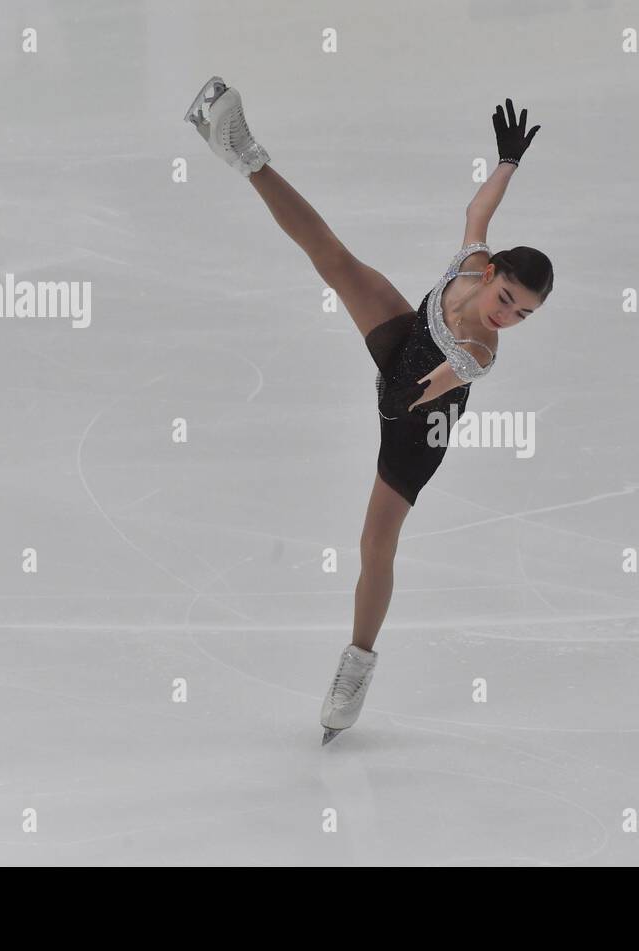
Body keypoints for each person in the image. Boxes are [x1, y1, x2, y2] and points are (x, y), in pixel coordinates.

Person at [184, 78, 553, 744]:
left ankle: (356, 663)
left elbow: (456, 371)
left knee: (375, 545)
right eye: (507, 297)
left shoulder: (482, 342)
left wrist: (428, 384)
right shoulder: (470, 262)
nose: (509, 316)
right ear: (490, 270)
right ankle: (244, 153)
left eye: (523, 314)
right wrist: (508, 162)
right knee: (334, 259)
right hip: (408, 342)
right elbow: (478, 211)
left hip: (417, 422)